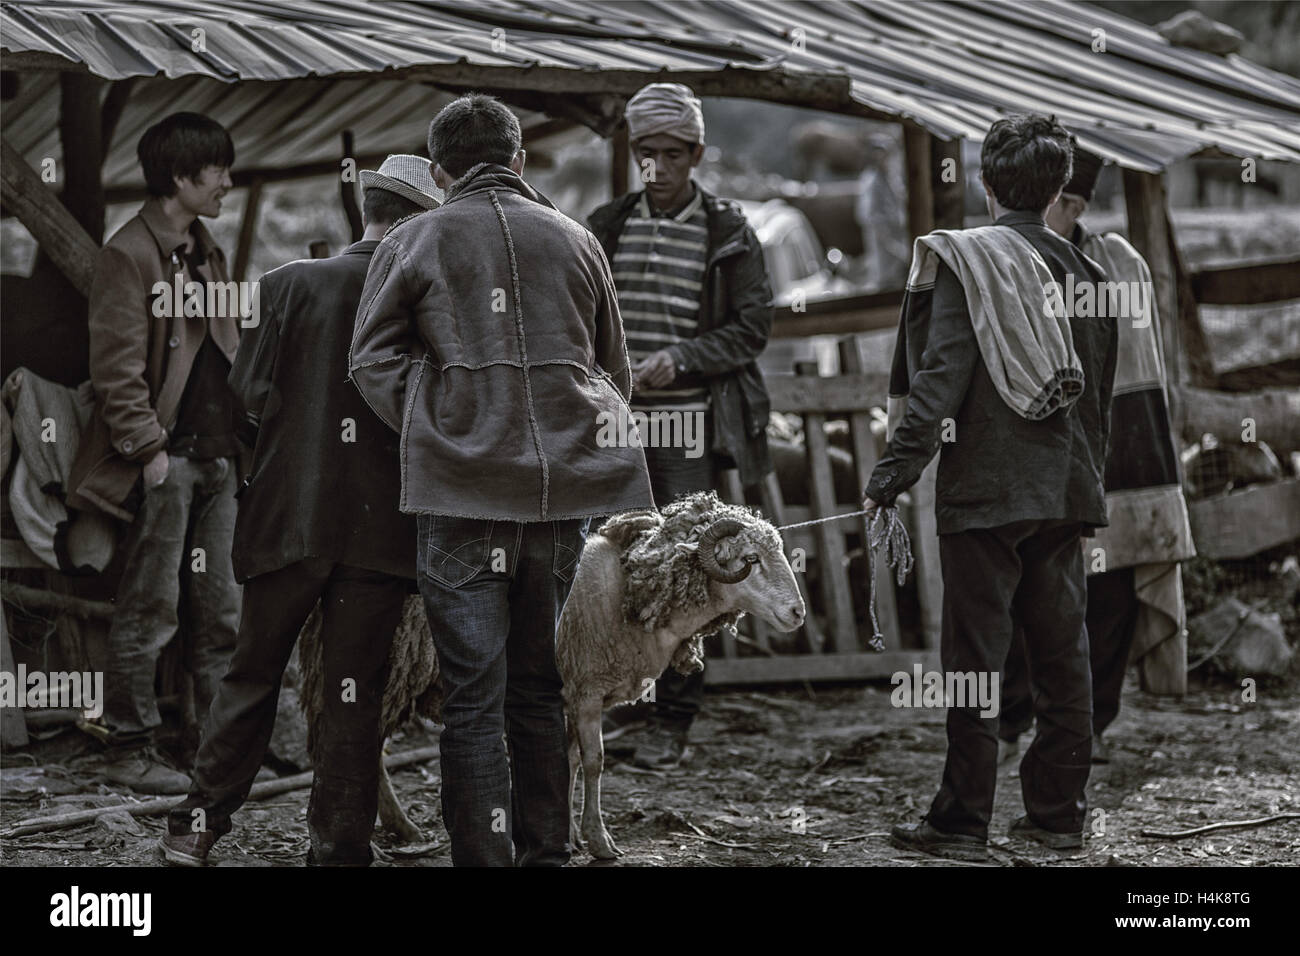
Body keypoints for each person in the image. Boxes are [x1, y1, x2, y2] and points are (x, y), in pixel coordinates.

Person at [350, 94, 653, 866]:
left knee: (472, 702)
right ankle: (546, 855)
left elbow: (371, 361)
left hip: (461, 498)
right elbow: (614, 373)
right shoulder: (579, 240)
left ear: (442, 172)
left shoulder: (417, 236)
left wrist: (445, 421)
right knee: (537, 690)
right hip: (560, 507)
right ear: (519, 160)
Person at [157, 156, 441, 865]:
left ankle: (199, 828)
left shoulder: (288, 283)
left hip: (289, 519)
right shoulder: (428, 300)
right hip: (381, 533)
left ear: (367, 209)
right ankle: (340, 848)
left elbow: (246, 395)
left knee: (251, 675)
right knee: (354, 691)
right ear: (418, 219)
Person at [863, 114, 1118, 860]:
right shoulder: (1092, 277)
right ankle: (1059, 813)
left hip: (986, 492)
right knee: (1062, 653)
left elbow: (939, 381)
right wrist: (1084, 485)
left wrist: (891, 474)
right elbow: (1098, 396)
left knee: (975, 663)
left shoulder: (967, 263)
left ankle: (960, 822)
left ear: (983, 183)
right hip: (1064, 489)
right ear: (1060, 189)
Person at [586, 82, 775, 769]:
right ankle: (617, 703)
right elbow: (582, 319)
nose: (658, 167)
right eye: (646, 153)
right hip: (618, 425)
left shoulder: (728, 231)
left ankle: (675, 717)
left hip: (689, 423)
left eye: (671, 154)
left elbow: (753, 327)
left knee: (690, 571)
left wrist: (684, 356)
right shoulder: (606, 225)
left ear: (695, 153)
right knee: (615, 560)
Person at [998, 145, 1196, 765]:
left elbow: (1133, 368)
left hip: (1112, 455)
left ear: (1074, 203)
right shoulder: (1003, 259)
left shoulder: (1113, 266)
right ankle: (1006, 725)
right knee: (1023, 593)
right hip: (1030, 461)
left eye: (1047, 199)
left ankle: (1091, 726)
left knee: (1107, 595)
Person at [67, 112, 241, 795]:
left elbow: (227, 347)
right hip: (167, 461)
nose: (228, 181)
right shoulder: (128, 253)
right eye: (216, 170)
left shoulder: (208, 249)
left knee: (222, 610)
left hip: (217, 459)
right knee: (151, 606)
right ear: (180, 177)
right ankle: (127, 746)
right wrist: (148, 451)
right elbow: (115, 371)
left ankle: (218, 749)